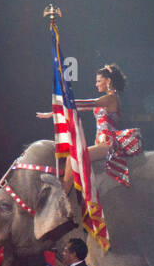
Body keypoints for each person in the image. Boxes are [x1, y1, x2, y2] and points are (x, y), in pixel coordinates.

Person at [37, 63, 143, 193]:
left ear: (108, 81)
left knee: (72, 158)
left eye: (99, 81)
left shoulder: (111, 98)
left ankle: (62, 195)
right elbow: (81, 107)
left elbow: (86, 103)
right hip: (100, 142)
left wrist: (62, 103)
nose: (96, 84)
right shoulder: (107, 98)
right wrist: (57, 111)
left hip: (108, 144)